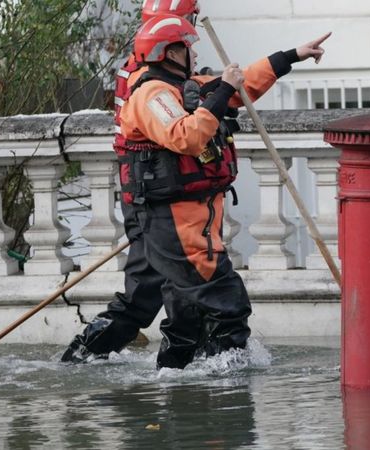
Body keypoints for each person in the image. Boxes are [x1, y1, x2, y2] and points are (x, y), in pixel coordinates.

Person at [110, 14, 329, 369]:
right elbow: (186, 135)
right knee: (226, 299)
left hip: (192, 217)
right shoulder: (152, 94)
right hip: (174, 220)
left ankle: (173, 376)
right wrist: (225, 88)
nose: (194, 55)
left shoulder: (186, 87)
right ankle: (229, 382)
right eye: (188, 48)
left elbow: (246, 84)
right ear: (170, 52)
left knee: (178, 310)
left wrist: (292, 55)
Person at [61, 0, 203, 363]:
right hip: (153, 192)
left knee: (147, 288)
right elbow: (172, 132)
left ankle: (86, 353)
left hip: (144, 189)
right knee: (168, 281)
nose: (194, 27)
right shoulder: (152, 73)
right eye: (191, 18)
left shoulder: (140, 64)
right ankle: (178, 364)